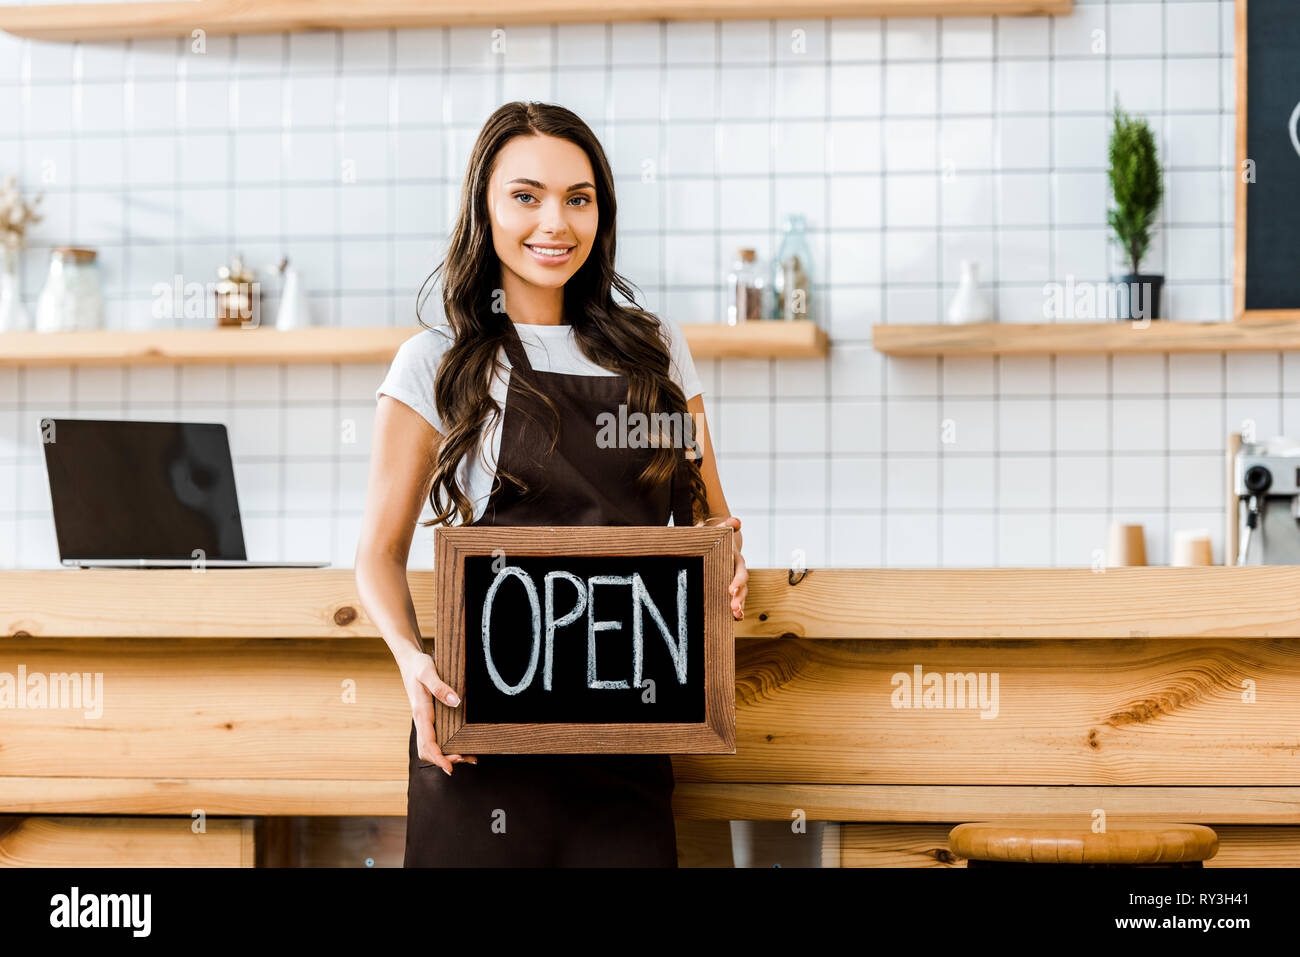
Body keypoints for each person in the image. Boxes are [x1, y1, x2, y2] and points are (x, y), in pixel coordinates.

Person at [355, 101, 748, 867]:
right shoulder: (435, 361)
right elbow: (377, 552)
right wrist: (410, 661)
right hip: (479, 746)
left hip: (628, 737)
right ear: (484, 207)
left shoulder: (656, 352)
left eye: (579, 198)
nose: (555, 223)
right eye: (526, 196)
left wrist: (730, 560)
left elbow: (711, 523)